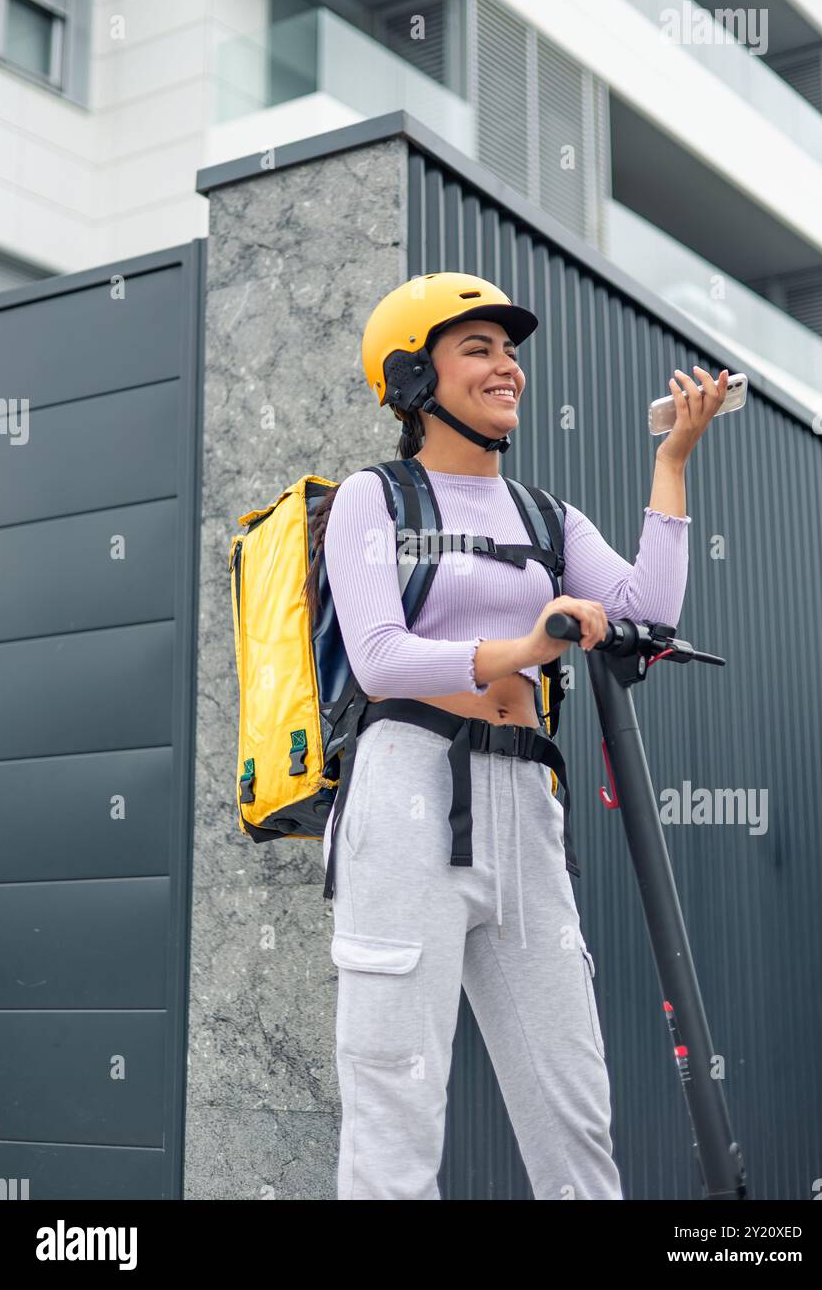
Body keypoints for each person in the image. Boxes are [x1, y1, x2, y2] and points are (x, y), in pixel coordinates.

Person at [308, 271, 728, 1201]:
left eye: (511, 350)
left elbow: (648, 612)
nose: (510, 369)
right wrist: (527, 645)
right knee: (396, 1100)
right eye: (479, 349)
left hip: (526, 804)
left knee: (571, 1100)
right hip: (408, 791)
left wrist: (673, 463)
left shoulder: (545, 516)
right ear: (415, 379)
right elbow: (379, 659)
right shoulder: (374, 501)